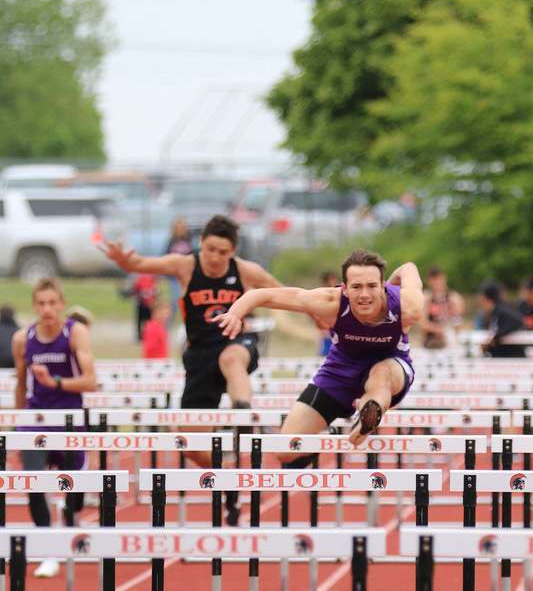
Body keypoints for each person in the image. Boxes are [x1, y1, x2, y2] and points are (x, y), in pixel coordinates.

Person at [101, 215, 282, 525]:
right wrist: (124, 261)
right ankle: (226, 477)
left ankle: (242, 417)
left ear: (233, 251)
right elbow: (143, 264)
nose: (215, 258)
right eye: (210, 249)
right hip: (199, 356)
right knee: (189, 444)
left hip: (236, 342)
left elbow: (286, 294)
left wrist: (322, 316)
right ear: (201, 244)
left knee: (231, 358)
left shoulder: (246, 271)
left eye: (223, 252)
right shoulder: (185, 265)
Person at [215, 249, 423, 448]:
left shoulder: (407, 307)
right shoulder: (330, 302)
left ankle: (368, 414)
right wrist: (234, 314)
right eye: (356, 287)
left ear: (382, 286)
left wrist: (399, 276)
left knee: (380, 373)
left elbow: (409, 268)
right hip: (342, 370)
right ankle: (310, 455)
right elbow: (264, 295)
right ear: (344, 288)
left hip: (391, 366)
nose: (364, 295)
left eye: (372, 286)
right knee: (286, 448)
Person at [13, 279, 98, 578]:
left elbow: (90, 381)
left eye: (52, 302)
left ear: (61, 304)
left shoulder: (75, 332)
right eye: (41, 303)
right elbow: (21, 383)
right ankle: (48, 549)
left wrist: (55, 382)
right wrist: (18, 422)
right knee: (34, 483)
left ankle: (68, 517)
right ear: (34, 306)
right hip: (35, 420)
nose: (47, 309)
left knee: (74, 492)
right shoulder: (23, 338)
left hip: (69, 419)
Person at [477, 282, 526, 358]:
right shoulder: (495, 312)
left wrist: (494, 338)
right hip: (505, 358)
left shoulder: (502, 310)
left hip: (512, 359)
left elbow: (517, 321)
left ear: (485, 298)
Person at [421, 267, 464, 349]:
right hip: (431, 342)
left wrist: (448, 331)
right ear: (429, 281)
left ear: (444, 278)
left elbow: (458, 322)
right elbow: (423, 324)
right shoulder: (426, 299)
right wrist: (439, 330)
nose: (437, 283)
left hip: (449, 340)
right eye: (434, 280)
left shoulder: (454, 298)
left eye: (439, 279)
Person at [317, 271, 337, 356]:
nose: (333, 282)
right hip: (326, 335)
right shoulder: (321, 295)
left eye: (334, 280)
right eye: (330, 280)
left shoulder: (338, 294)